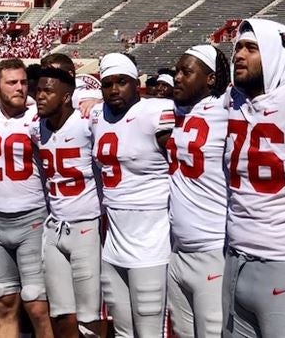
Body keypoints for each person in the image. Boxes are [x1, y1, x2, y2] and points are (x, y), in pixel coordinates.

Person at [223, 19, 285, 337]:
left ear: (280, 55)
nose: (239, 55)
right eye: (238, 47)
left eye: (252, 48)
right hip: (236, 257)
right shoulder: (234, 101)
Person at [90, 53, 175, 337]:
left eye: (122, 82)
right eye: (107, 83)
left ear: (136, 83)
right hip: (114, 238)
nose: (114, 89)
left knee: (150, 330)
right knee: (123, 329)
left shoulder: (157, 111)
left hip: (152, 237)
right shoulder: (95, 115)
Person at [0, 59, 52, 338]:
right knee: (2, 302)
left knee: (38, 304)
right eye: (12, 82)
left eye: (23, 82)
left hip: (33, 217)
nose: (20, 88)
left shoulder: (39, 116)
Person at [165, 44, 231, 338]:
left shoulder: (229, 108)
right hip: (178, 250)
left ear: (211, 79)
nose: (177, 77)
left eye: (186, 72)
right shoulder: (172, 110)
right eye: (177, 71)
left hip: (214, 247)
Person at [35, 65, 104, 338]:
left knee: (90, 317)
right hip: (55, 228)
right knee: (60, 312)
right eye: (38, 90)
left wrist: (97, 102)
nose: (40, 96)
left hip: (87, 226)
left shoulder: (88, 121)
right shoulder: (35, 126)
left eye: (48, 91)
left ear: (67, 97)